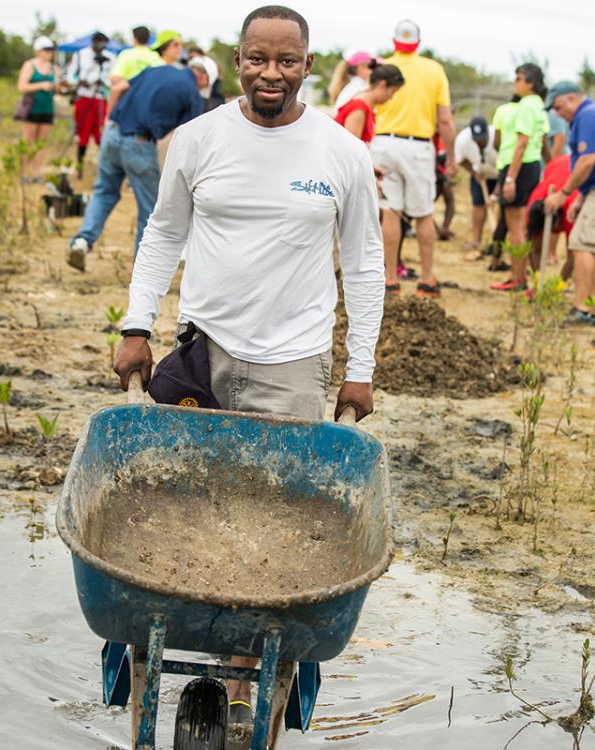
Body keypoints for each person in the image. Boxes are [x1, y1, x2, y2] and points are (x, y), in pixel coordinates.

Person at [113, 5, 383, 729]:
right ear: (238, 61)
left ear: (306, 63)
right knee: (160, 515)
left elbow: (363, 265)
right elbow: (162, 231)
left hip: (293, 365)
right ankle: (141, 674)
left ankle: (247, 682)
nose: (272, 74)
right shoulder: (199, 140)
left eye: (286, 61)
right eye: (257, 60)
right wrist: (136, 325)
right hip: (202, 352)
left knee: (285, 531)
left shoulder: (340, 153)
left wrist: (360, 368)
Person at [66, 57, 207, 271]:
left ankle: (82, 241)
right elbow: (191, 136)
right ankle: (144, 266)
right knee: (150, 209)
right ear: (203, 77)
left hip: (113, 132)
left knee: (104, 192)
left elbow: (118, 88)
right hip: (140, 143)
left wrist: (108, 121)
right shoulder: (192, 92)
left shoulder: (155, 69)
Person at [372, 19, 455, 298]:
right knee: (423, 214)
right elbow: (444, 118)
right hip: (418, 146)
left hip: (383, 143)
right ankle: (426, 278)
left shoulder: (383, 66)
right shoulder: (433, 70)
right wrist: (451, 156)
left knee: (391, 212)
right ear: (418, 41)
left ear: (395, 41)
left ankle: (390, 278)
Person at [542, 80, 595, 326]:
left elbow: (588, 161)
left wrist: (563, 194)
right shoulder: (592, 115)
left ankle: (582, 307)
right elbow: (594, 162)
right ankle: (593, 309)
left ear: (571, 99)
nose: (558, 114)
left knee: (582, 244)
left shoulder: (588, 116)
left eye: (558, 107)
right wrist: (580, 197)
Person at [489, 63, 548, 293]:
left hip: (518, 167)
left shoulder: (525, 106)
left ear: (530, 83)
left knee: (516, 227)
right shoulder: (539, 106)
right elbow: (542, 141)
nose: (515, 82)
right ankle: (520, 276)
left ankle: (518, 277)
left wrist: (510, 179)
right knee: (520, 226)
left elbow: (521, 143)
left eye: (519, 79)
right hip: (531, 166)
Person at [15, 36, 65, 182]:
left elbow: (56, 89)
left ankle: (36, 174)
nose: (49, 53)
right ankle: (23, 174)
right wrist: (41, 85)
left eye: (51, 50)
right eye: (46, 49)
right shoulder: (30, 65)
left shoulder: (54, 68)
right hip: (31, 108)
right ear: (38, 50)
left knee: (41, 143)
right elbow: (21, 87)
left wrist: (59, 88)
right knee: (27, 141)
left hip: (47, 109)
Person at [67, 32, 116, 179]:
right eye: (97, 42)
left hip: (101, 98)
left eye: (103, 43)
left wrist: (104, 82)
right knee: (83, 135)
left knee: (101, 134)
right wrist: (80, 81)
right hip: (84, 97)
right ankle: (80, 168)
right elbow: (70, 76)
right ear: (92, 42)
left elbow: (114, 79)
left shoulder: (111, 58)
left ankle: (104, 170)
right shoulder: (81, 55)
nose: (100, 45)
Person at [455, 116, 500, 251]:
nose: (478, 142)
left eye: (482, 139)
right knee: (478, 205)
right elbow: (460, 160)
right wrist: (474, 173)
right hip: (480, 177)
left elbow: (506, 170)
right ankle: (476, 240)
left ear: (487, 132)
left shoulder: (497, 138)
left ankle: (498, 241)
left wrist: (494, 196)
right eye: (476, 139)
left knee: (501, 208)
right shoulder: (463, 139)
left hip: (499, 177)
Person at [333, 63, 404, 143]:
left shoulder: (364, 105)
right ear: (382, 85)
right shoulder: (358, 109)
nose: (391, 97)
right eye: (393, 91)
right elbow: (350, 149)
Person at [105, 26, 167, 116]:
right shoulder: (156, 57)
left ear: (134, 39)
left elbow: (114, 78)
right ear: (149, 39)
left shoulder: (126, 54)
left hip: (127, 103)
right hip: (149, 104)